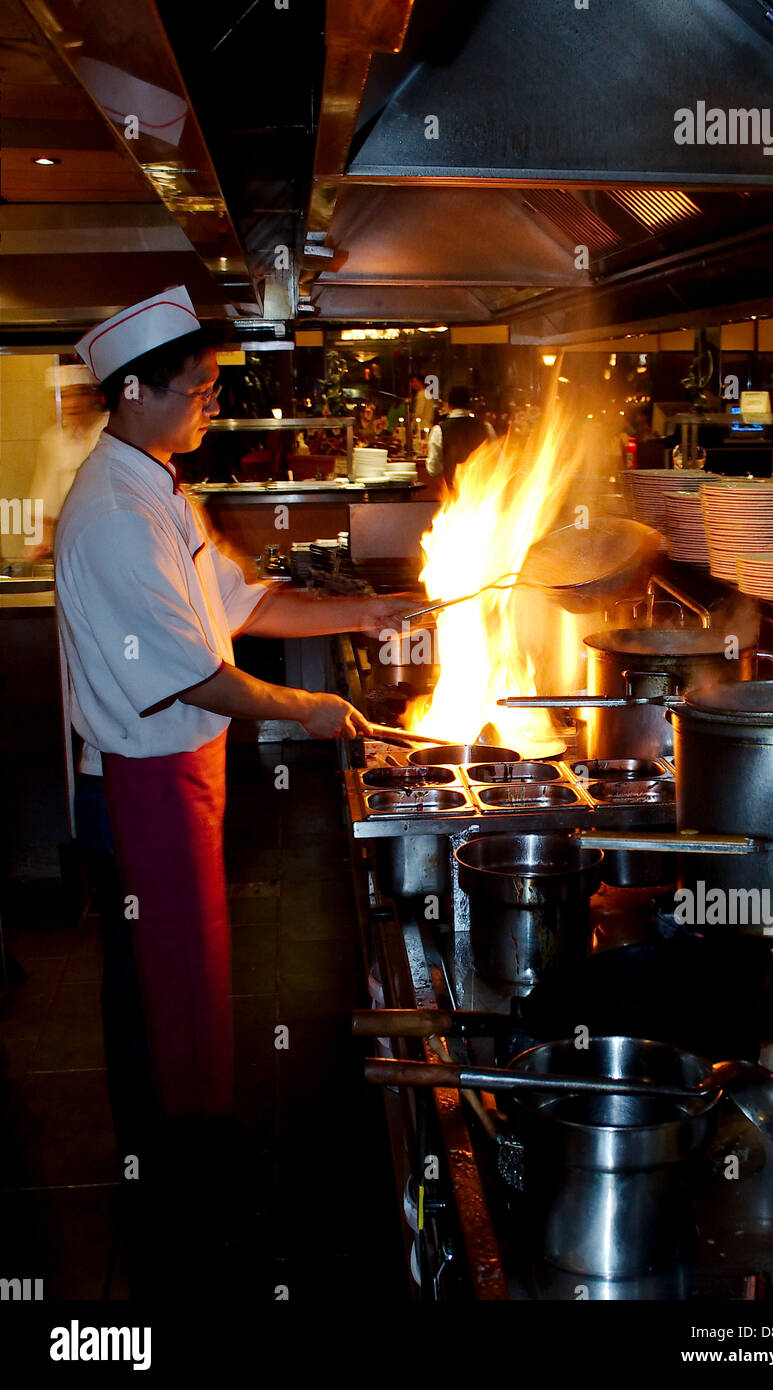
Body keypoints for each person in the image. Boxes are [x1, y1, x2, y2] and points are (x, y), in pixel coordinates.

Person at [55, 286, 409, 1287]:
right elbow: (195, 674)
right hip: (142, 780)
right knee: (155, 991)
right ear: (135, 393)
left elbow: (241, 603)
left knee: (185, 978)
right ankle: (172, 1191)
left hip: (182, 773)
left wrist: (365, 612)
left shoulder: (162, 487)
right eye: (200, 389)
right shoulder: (118, 514)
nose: (214, 405)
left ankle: (188, 1159)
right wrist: (308, 712)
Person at [30, 364, 108, 557]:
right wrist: (41, 539)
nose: (72, 403)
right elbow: (44, 499)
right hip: (73, 542)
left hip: (108, 532)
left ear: (92, 396)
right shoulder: (53, 441)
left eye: (79, 394)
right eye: (64, 396)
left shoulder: (110, 429)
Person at [426, 384, 496, 491]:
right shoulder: (486, 427)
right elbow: (496, 458)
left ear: (448, 404)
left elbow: (434, 470)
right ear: (469, 404)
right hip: (484, 491)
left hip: (454, 493)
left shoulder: (439, 430)